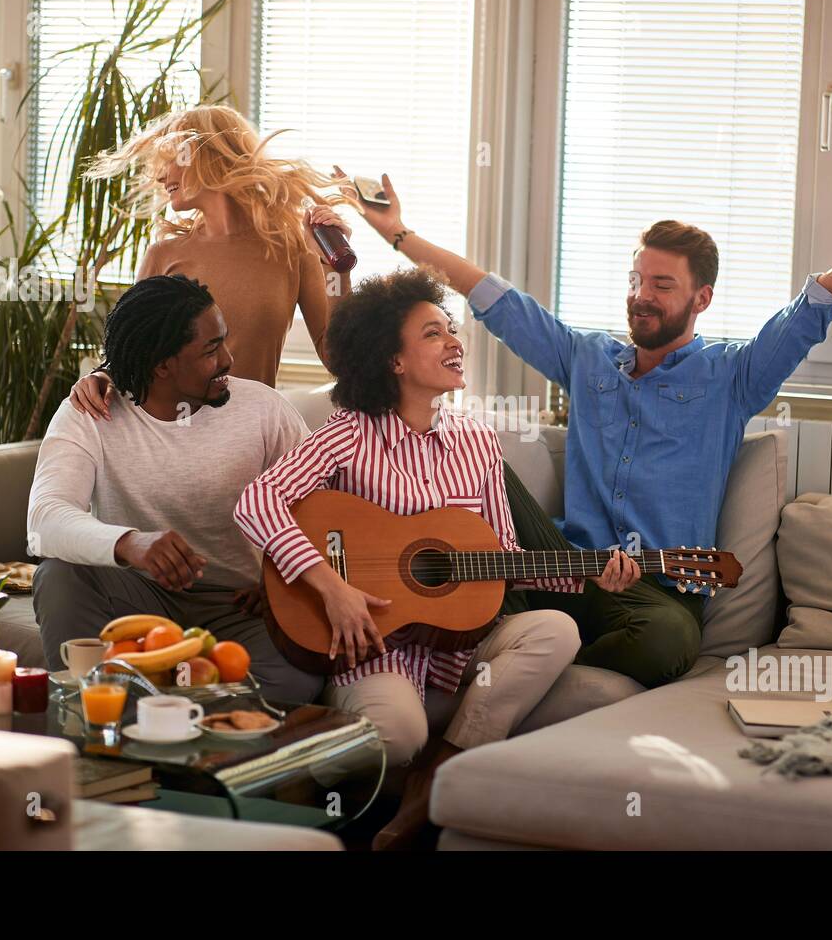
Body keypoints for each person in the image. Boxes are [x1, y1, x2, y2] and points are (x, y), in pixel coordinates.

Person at [340, 133, 832, 688]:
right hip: (563, 568)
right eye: (636, 281)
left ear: (701, 298)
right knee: (479, 454)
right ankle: (487, 618)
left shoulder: (733, 375)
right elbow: (491, 297)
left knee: (670, 641)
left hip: (656, 589)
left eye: (661, 286)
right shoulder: (587, 358)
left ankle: (530, 649)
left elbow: (819, 299)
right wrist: (397, 233)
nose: (640, 297)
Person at [234, 266, 640, 849]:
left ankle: (440, 770)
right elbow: (259, 499)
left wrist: (595, 571)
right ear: (393, 360)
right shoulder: (347, 434)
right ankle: (307, 753)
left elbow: (502, 554)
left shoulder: (478, 442)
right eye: (433, 333)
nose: (455, 342)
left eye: (452, 329)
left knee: (555, 629)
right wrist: (330, 586)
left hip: (457, 650)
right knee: (398, 734)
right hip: (373, 649)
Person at [29, 273, 320, 705]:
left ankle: (153, 711)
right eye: (210, 350)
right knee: (59, 574)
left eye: (223, 341)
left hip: (241, 608)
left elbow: (324, 506)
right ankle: (97, 719)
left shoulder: (263, 410)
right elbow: (44, 520)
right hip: (138, 596)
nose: (228, 360)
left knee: (295, 679)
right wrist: (131, 544)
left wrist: (282, 581)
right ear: (162, 365)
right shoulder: (90, 412)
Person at [69, 104, 354, 421]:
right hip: (174, 436)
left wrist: (335, 270)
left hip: (254, 439)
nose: (162, 175)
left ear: (205, 156)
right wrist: (103, 376)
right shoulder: (163, 256)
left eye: (170, 160)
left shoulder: (293, 251)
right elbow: (132, 351)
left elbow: (340, 360)